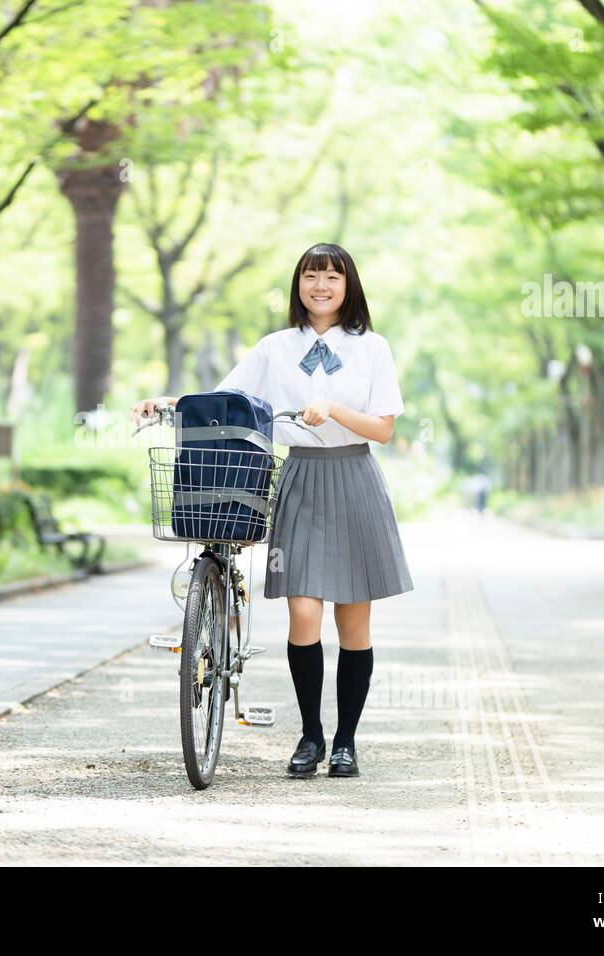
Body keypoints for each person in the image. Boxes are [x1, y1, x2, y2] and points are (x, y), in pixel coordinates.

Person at [131, 242, 414, 779]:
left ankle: (346, 742)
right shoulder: (276, 347)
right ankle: (310, 735)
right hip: (300, 477)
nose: (321, 286)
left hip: (355, 479)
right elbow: (224, 400)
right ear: (298, 284)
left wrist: (332, 408)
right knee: (304, 614)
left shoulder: (372, 348)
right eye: (311, 276)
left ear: (348, 285)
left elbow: (383, 429)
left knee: (354, 621)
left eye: (332, 276)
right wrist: (167, 403)